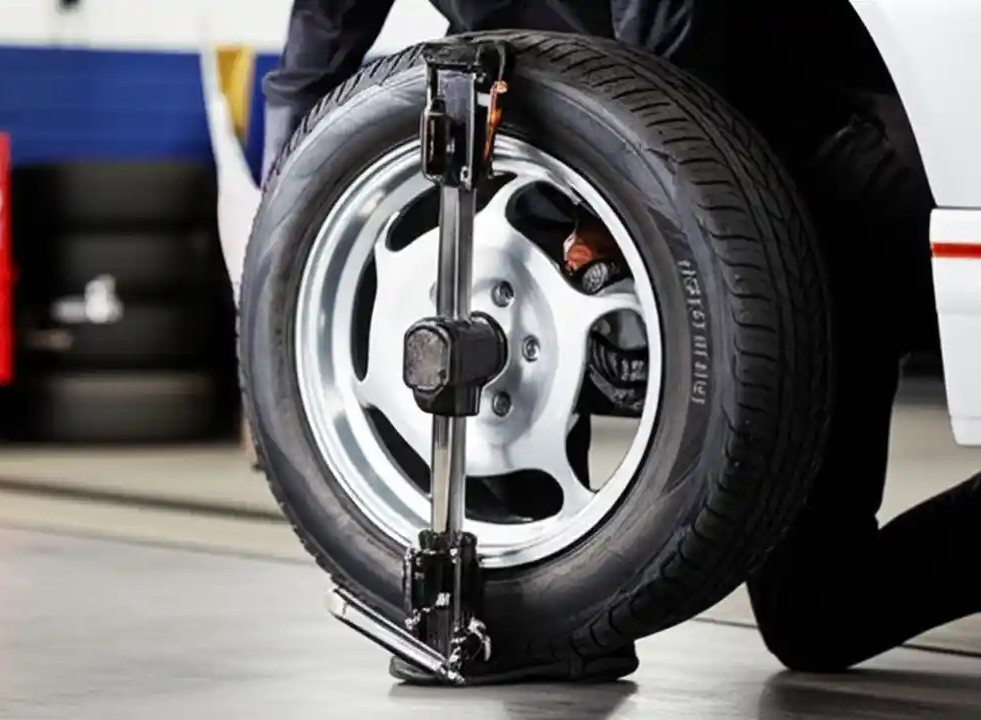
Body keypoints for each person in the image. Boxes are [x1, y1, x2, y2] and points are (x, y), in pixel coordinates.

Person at [261, 0, 981, 683]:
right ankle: (538, 623)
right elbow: (310, 75)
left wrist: (632, 192)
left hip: (822, 148)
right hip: (626, 184)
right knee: (816, 618)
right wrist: (271, 299)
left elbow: (668, 22)